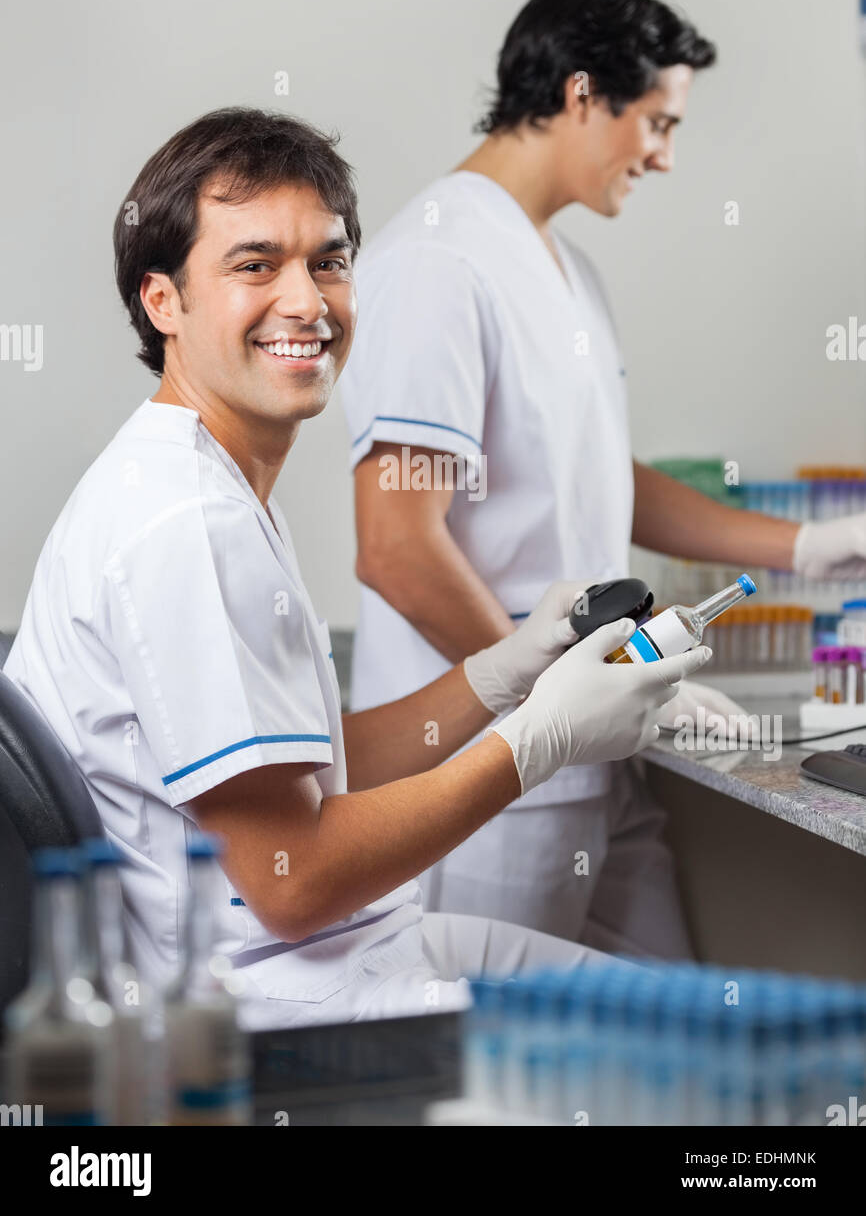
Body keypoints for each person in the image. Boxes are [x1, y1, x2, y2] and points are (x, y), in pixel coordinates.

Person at [2, 107, 711, 1030]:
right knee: (695, 1048)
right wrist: (540, 741)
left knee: (687, 1017)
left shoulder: (193, 476)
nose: (307, 302)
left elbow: (307, 774)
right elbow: (294, 882)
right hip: (276, 1009)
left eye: (328, 262)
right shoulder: (188, 524)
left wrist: (503, 673)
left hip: (331, 957)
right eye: (256, 265)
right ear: (163, 301)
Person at [341, 0, 866, 957]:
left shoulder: (563, 269)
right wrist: (569, 692)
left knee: (676, 1030)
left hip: (596, 753)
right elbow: (395, 546)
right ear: (581, 95)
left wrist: (809, 545)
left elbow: (598, 479)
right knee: (510, 1050)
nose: (664, 156)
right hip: (489, 773)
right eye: (656, 123)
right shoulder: (437, 263)